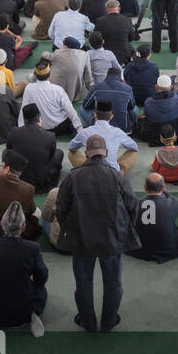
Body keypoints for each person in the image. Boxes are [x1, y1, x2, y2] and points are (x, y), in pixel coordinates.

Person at [54, 135, 140, 332]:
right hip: (111, 238)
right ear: (107, 153)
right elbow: (133, 205)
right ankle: (109, 321)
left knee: (83, 283)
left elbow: (61, 208)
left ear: (86, 154)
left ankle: (88, 322)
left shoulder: (73, 177)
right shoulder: (117, 176)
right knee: (113, 282)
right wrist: (124, 228)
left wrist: (70, 227)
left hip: (81, 238)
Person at [0, 201, 48, 337]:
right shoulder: (32, 248)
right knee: (40, 288)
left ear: (2, 224)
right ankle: (33, 312)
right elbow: (42, 278)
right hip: (21, 315)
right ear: (24, 227)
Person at [128, 173, 178, 263]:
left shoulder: (135, 204)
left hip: (141, 249)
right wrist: (165, 192)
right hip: (168, 249)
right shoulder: (172, 203)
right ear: (163, 188)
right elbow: (176, 208)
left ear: (145, 187)